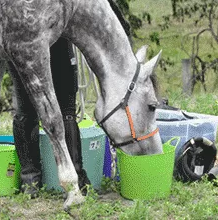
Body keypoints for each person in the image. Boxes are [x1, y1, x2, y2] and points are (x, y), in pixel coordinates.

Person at [10, 1, 131, 197]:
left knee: (64, 111)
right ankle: (30, 180)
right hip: (24, 39)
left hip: (56, 37)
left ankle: (74, 176)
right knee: (26, 111)